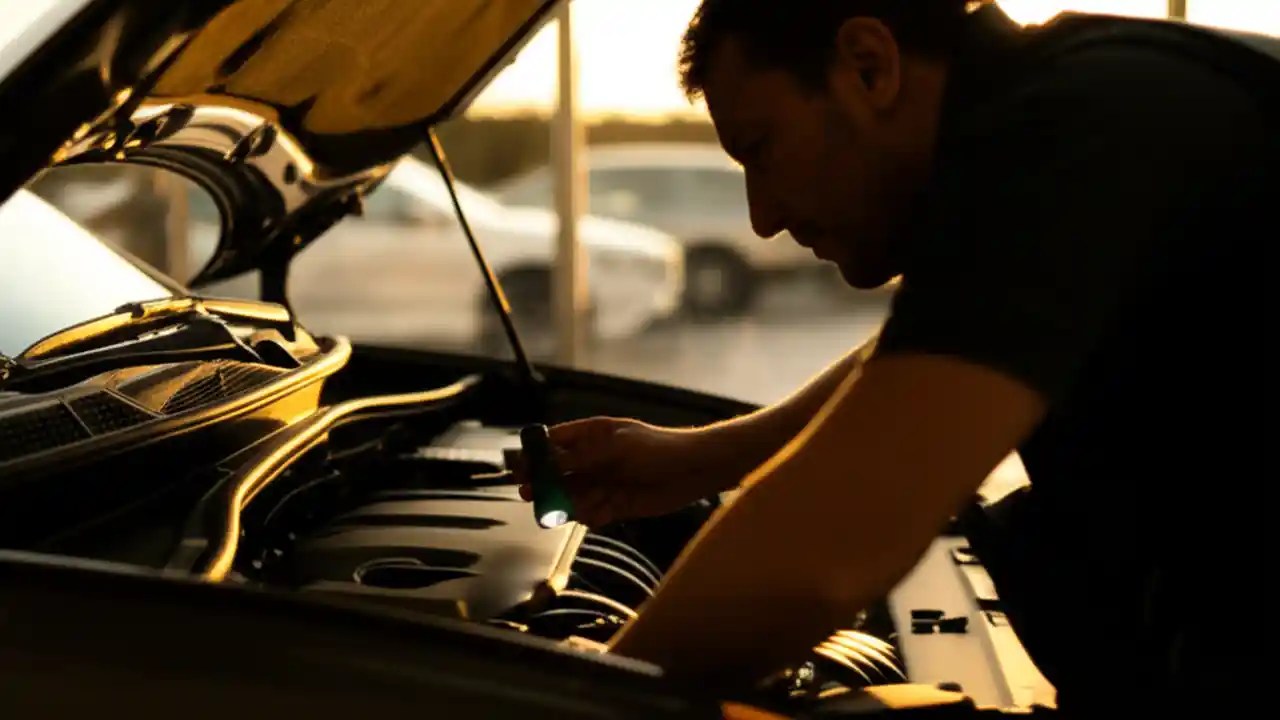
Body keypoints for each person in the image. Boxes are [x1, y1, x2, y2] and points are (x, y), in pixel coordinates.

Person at [515, 0, 1277, 712]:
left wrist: (567, 699)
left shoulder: (1084, 130)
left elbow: (824, 551)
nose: (762, 216)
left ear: (868, 66)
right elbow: (952, 337)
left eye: (760, 147)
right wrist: (707, 458)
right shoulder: (1088, 99)